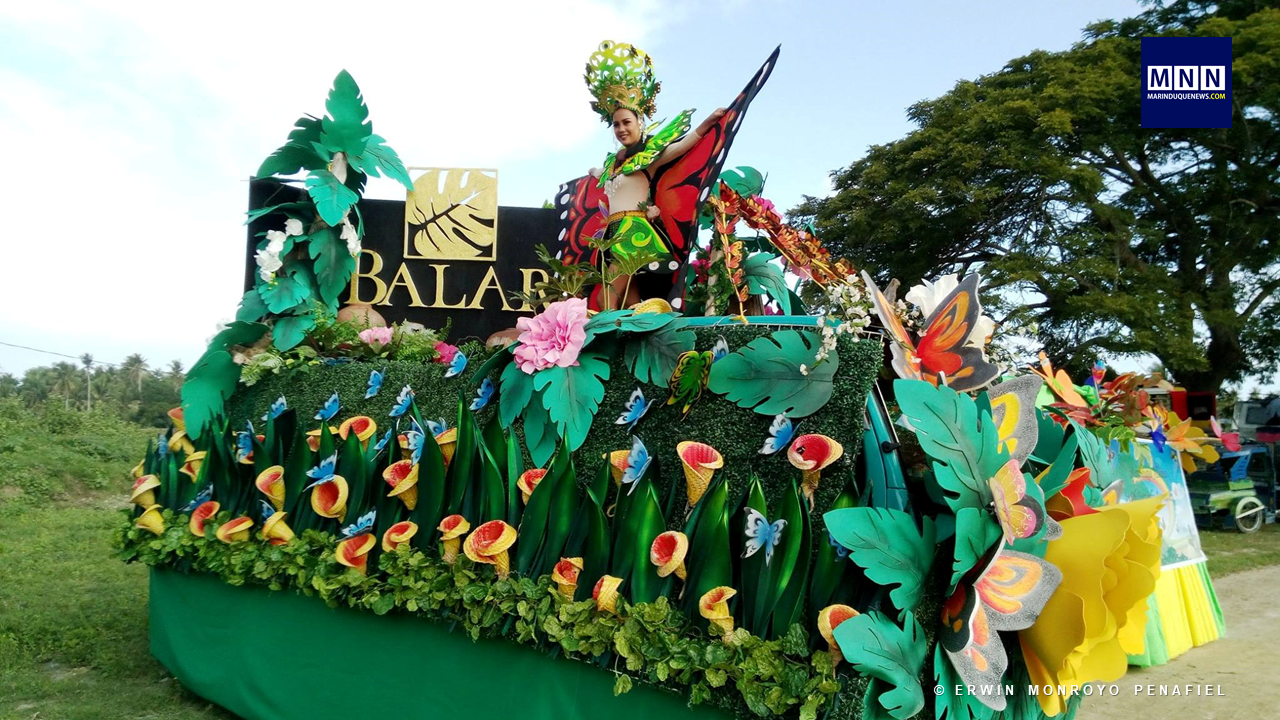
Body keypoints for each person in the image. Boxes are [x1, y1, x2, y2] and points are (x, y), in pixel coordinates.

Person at [584, 40, 725, 309]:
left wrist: (708, 122)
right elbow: (599, 173)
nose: (621, 129)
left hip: (634, 235)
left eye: (627, 122)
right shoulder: (613, 164)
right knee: (631, 301)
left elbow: (681, 147)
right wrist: (592, 172)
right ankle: (644, 332)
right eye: (616, 124)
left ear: (639, 122)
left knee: (606, 298)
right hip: (613, 236)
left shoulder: (646, 160)